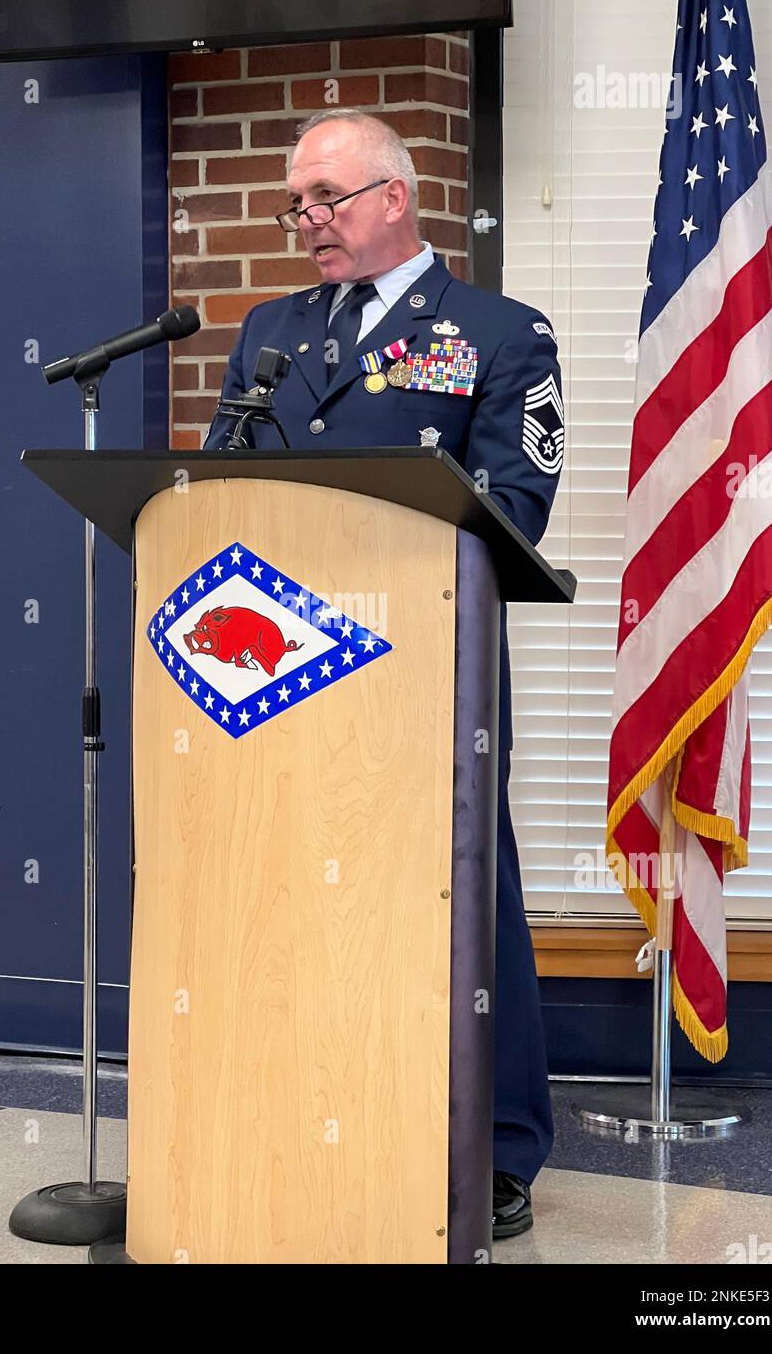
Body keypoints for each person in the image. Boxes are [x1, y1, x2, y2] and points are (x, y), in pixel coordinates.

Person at [205, 109, 564, 1240]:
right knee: (297, 890)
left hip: (427, 665)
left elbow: (515, 505)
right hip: (283, 665)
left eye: (327, 198)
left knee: (465, 894)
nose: (308, 220)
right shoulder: (269, 328)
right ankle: (322, 1110)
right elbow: (217, 479)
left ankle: (495, 1142)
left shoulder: (498, 332)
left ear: (395, 196)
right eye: (297, 205)